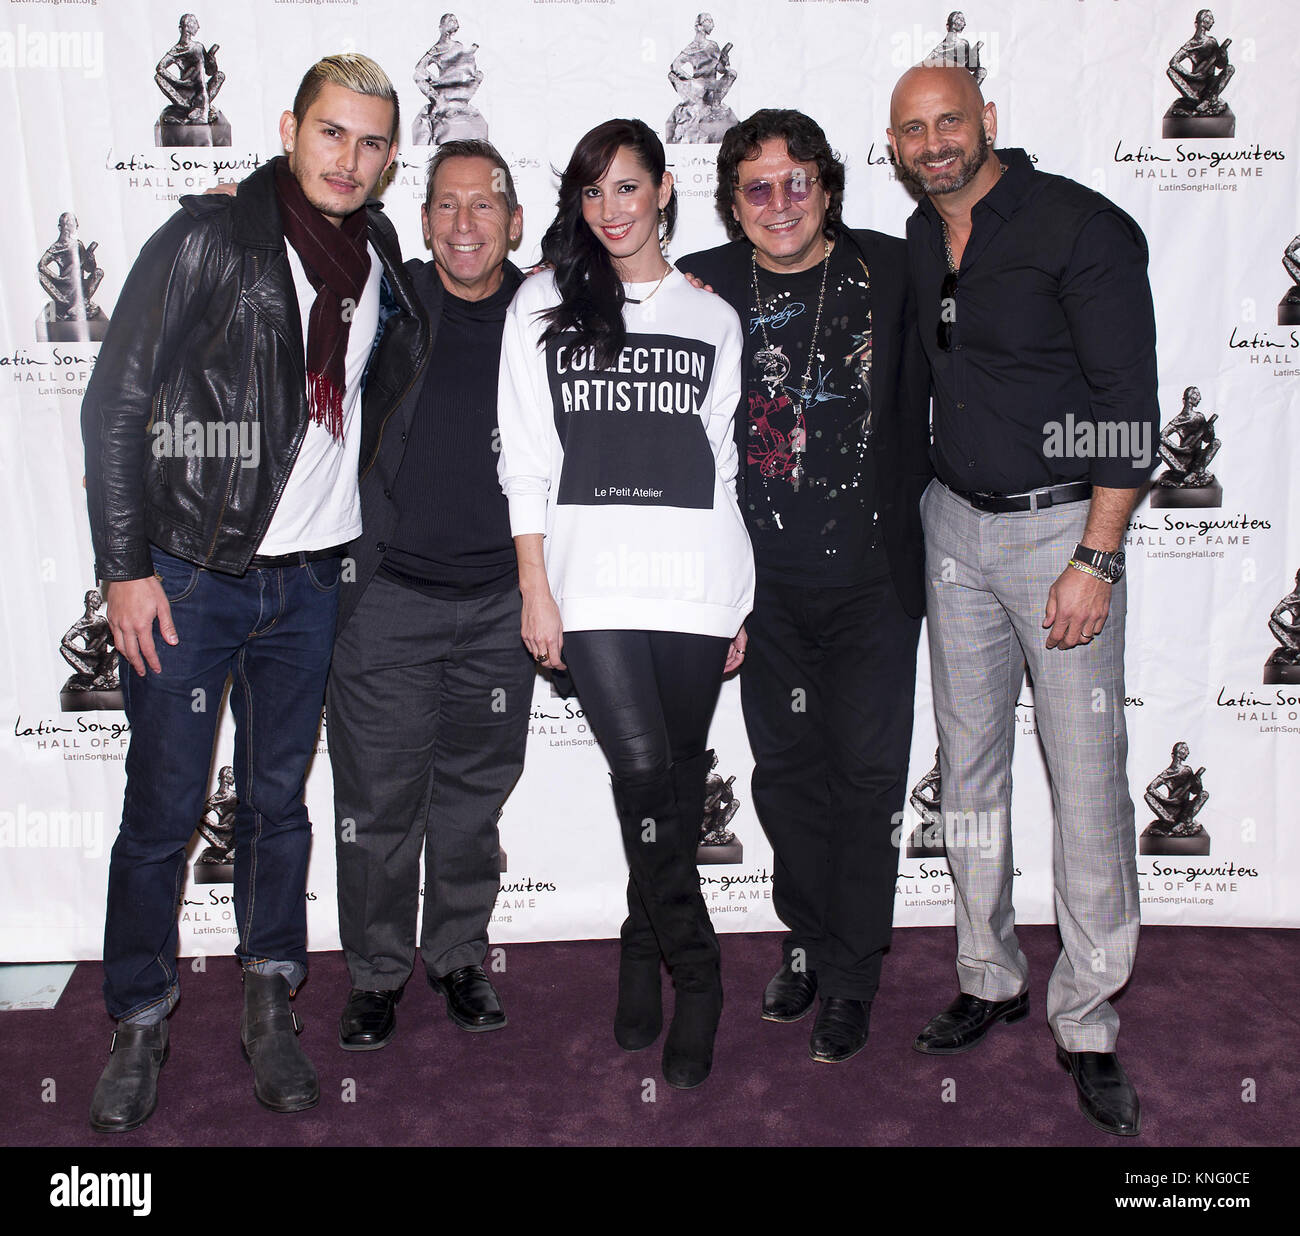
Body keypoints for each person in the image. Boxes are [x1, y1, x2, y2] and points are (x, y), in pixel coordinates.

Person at [81, 53, 426, 1131]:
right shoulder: (207, 239)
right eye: (333, 134)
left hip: (311, 583)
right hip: (191, 574)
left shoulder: (376, 255)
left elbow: (402, 364)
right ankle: (139, 1015)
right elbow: (115, 406)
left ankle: (270, 996)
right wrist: (125, 569)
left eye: (372, 142)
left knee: (277, 808)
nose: (350, 159)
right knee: (164, 811)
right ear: (289, 128)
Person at [887, 64, 1158, 1136]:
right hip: (950, 527)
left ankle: (1086, 1018)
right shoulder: (918, 237)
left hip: (1061, 534)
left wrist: (1094, 558)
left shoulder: (1080, 228)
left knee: (1086, 780)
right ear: (897, 147)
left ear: (986, 122)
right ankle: (987, 973)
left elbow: (1127, 406)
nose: (933, 142)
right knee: (968, 771)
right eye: (912, 130)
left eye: (949, 121)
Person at [496, 117, 754, 1089]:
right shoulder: (539, 306)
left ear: (662, 193)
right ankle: (701, 973)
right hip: (592, 587)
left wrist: (739, 599)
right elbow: (526, 461)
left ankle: (640, 946)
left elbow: (724, 466)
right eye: (593, 191)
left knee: (678, 787)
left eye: (628, 188)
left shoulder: (709, 316)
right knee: (645, 777)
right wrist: (536, 587)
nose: (611, 209)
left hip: (697, 583)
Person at [678, 109, 930, 1064]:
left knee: (866, 781)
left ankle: (853, 972)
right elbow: (566, 276)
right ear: (732, 204)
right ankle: (810, 939)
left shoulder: (894, 271)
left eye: (798, 182)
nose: (780, 204)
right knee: (786, 779)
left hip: (872, 583)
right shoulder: (700, 283)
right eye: (757, 187)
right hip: (763, 590)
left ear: (828, 186)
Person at [329, 140, 532, 1051]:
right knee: (376, 802)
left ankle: (457, 955)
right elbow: (311, 230)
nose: (464, 225)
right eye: (445, 206)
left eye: (484, 206)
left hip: (503, 604)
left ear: (514, 222)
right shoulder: (394, 300)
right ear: (423, 223)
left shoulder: (551, 314)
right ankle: (375, 974)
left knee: (471, 800)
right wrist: (235, 205)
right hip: (389, 603)